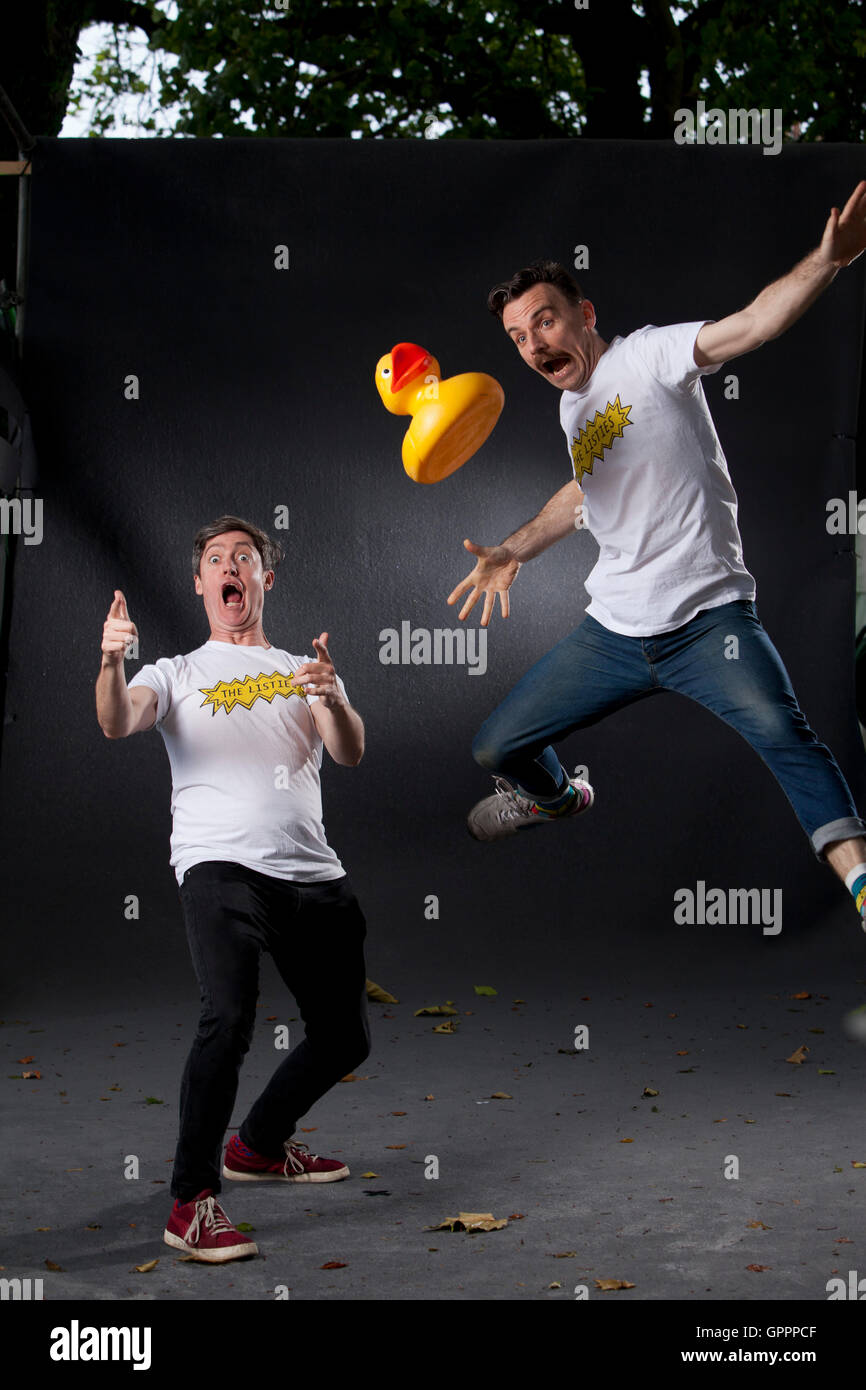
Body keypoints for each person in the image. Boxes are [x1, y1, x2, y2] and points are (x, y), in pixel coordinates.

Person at [449, 180, 866, 928]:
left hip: (710, 624)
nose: (534, 343)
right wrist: (512, 549)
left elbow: (752, 325)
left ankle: (864, 891)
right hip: (613, 632)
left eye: (544, 320)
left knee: (787, 737)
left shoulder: (649, 356)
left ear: (585, 315)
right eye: (517, 336)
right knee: (496, 748)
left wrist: (829, 261)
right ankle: (560, 798)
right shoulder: (573, 407)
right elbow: (580, 496)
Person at [95, 515, 370, 1263]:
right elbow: (118, 722)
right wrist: (113, 663)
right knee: (229, 1015)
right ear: (200, 582)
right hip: (220, 868)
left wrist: (334, 696)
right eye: (216, 559)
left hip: (313, 876)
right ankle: (191, 1201)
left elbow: (347, 752)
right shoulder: (175, 672)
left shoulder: (299, 665)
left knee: (346, 1036)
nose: (230, 569)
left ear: (263, 579)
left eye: (244, 558)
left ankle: (257, 1145)